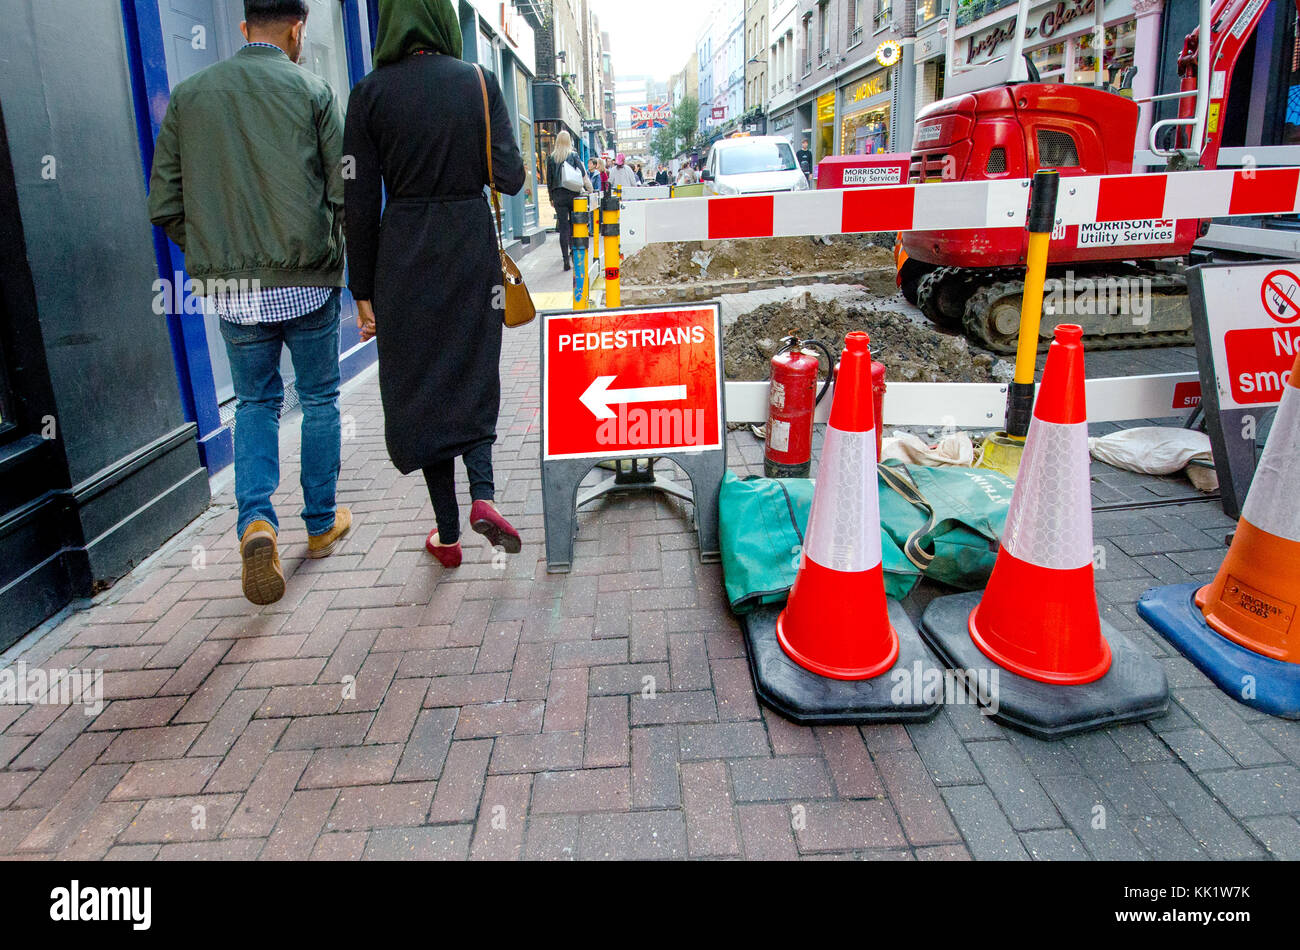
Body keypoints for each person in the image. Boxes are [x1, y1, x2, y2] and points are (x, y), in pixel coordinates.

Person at [149, 0, 351, 606]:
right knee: (318, 399)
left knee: (256, 403)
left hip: (234, 292)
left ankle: (256, 522)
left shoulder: (188, 97)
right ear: (297, 29)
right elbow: (345, 190)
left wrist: (213, 252)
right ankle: (319, 524)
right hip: (309, 280)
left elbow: (165, 205)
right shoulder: (314, 90)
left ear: (243, 30)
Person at [344, 0, 524, 569]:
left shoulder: (368, 95)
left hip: (402, 254)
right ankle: (484, 496)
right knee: (471, 368)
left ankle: (447, 536)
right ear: (444, 21)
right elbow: (514, 177)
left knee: (424, 384)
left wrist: (362, 289)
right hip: (468, 244)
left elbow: (355, 199)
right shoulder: (477, 81)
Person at [546, 131, 588, 271]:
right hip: (573, 194)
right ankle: (574, 253)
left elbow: (549, 180)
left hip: (558, 195)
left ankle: (565, 260)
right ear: (569, 141)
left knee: (563, 227)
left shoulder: (551, 158)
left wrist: (551, 197)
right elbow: (582, 173)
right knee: (575, 225)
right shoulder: (573, 155)